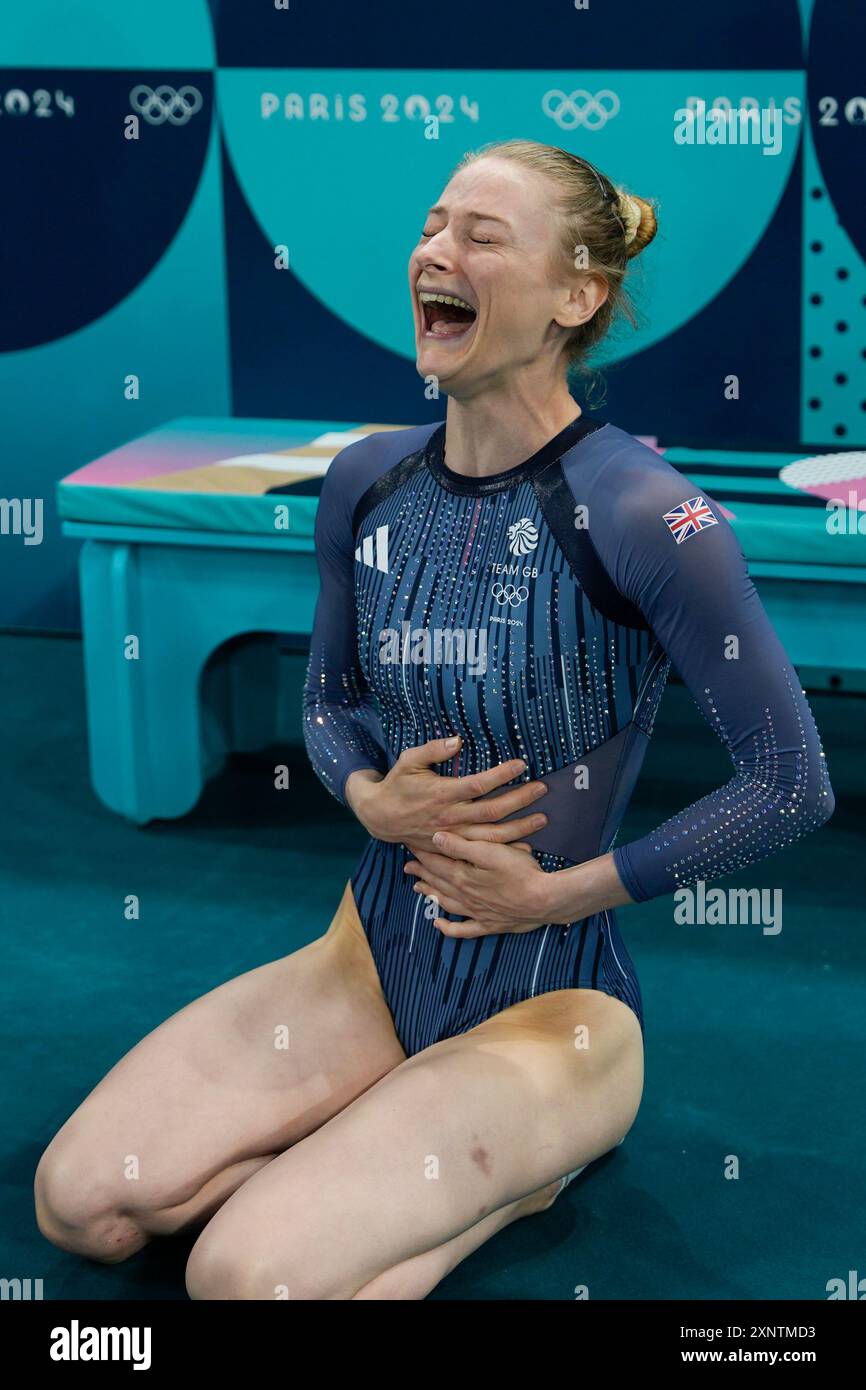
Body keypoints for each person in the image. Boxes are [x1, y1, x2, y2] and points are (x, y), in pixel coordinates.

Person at [34, 139, 834, 1300]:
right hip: (366, 961)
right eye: (429, 225)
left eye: (479, 234)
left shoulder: (650, 516)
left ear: (577, 293)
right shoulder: (367, 480)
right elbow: (327, 700)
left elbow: (787, 782)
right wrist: (364, 792)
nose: (433, 252)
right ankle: (386, 1133)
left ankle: (515, 1176)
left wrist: (556, 891)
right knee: (85, 1205)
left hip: (556, 1012)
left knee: (243, 1279)